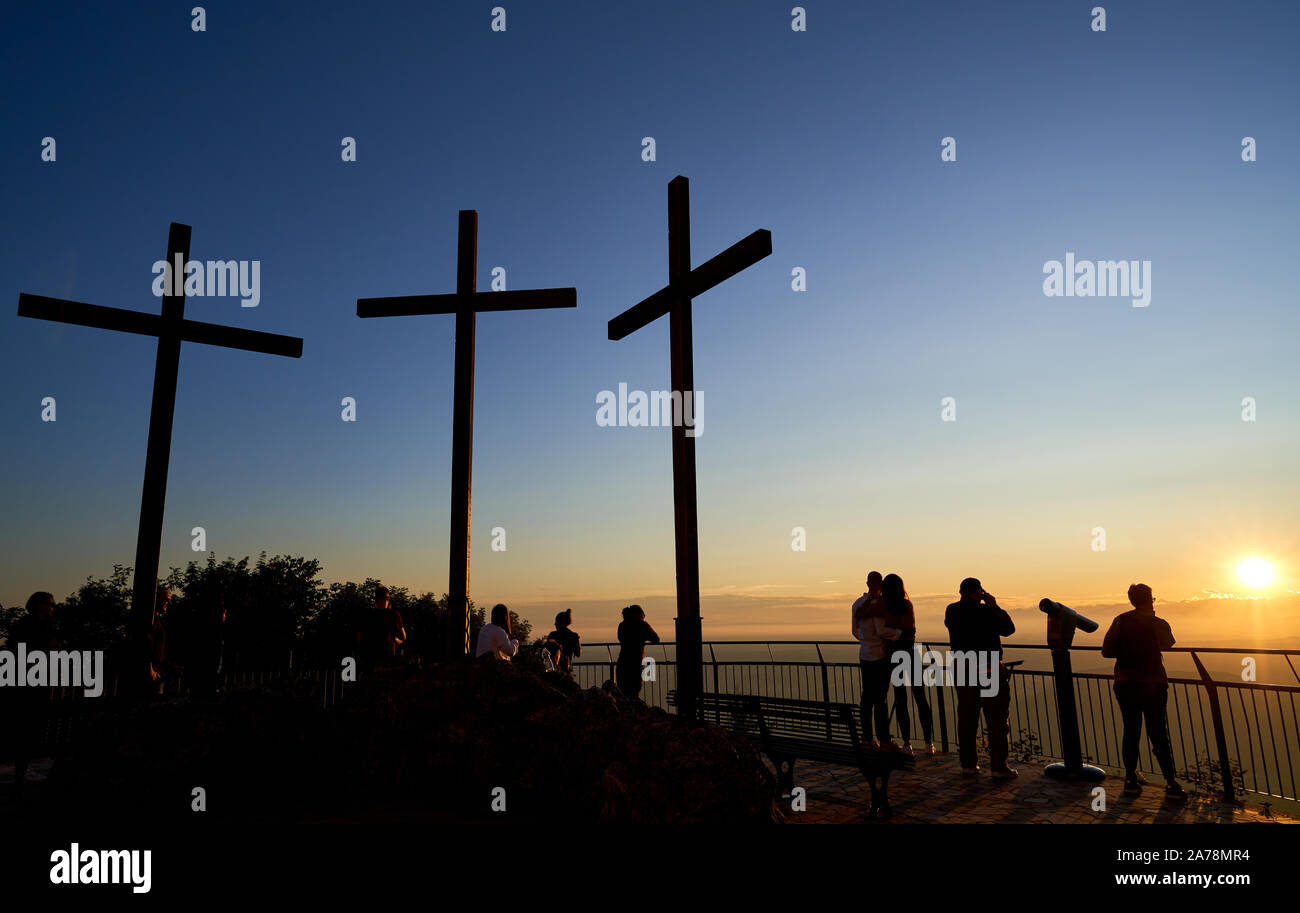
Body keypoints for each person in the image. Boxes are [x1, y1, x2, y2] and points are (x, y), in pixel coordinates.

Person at [1101, 584, 1187, 800]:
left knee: (1131, 730)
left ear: (1132, 601)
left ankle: (1130, 780)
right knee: (1158, 733)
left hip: (1124, 682)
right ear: (1150, 600)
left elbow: (1106, 651)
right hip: (1153, 683)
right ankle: (1170, 783)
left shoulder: (1120, 621)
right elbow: (1168, 645)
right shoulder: (1158, 624)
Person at [944, 578, 1017, 778]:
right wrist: (994, 605)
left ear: (961, 592)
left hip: (962, 668)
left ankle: (968, 764)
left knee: (967, 718)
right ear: (979, 592)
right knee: (996, 719)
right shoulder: (986, 611)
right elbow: (1009, 629)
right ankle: (998, 767)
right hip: (989, 668)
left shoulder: (951, 611)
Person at [8, 591, 57, 800]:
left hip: (38, 683)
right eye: (48, 604)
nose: (52, 607)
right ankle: (21, 770)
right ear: (37, 605)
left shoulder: (46, 626)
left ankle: (23, 769)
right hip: (27, 683)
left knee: (33, 729)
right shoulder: (28, 626)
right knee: (25, 729)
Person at [880, 573, 935, 756]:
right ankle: (928, 743)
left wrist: (891, 633)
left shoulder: (882, 606)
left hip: (893, 654)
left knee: (900, 699)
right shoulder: (906, 605)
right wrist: (901, 632)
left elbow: (883, 630)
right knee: (920, 698)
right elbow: (910, 629)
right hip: (911, 652)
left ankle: (907, 744)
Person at [852, 573, 903, 750]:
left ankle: (866, 738)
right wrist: (898, 634)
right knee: (880, 698)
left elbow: (855, 631)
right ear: (880, 584)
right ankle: (884, 740)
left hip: (864, 654)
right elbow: (881, 630)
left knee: (866, 697)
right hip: (880, 656)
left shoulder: (857, 604)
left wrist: (866, 640)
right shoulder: (879, 604)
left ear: (867, 583)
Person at [616, 605, 659, 699]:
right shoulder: (642, 625)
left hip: (622, 663)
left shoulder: (622, 625)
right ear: (639, 614)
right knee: (633, 695)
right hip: (635, 665)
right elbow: (656, 639)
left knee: (622, 695)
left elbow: (620, 638)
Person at [359, 586, 406, 671]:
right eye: (382, 599)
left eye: (385, 599)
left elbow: (403, 637)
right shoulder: (370, 615)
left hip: (383, 658)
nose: (383, 601)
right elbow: (403, 637)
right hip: (378, 659)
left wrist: (396, 640)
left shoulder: (393, 615)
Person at [149, 585, 182, 693]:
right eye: (166, 600)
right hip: (150, 671)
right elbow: (146, 645)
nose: (168, 604)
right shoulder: (152, 620)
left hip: (155, 669)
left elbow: (158, 653)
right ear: (157, 599)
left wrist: (173, 667)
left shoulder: (156, 620)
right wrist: (150, 669)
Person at [547, 609, 581, 676]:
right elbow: (578, 653)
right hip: (567, 668)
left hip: (553, 668)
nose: (555, 624)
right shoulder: (574, 636)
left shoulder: (553, 635)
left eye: (556, 622)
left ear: (560, 623)